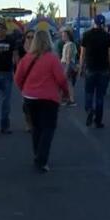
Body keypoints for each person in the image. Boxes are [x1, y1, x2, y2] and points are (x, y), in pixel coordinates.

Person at [14, 30, 70, 173]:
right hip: (48, 99)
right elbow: (61, 79)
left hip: (30, 98)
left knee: (36, 128)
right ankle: (41, 160)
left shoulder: (26, 58)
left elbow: (18, 78)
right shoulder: (52, 59)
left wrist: (25, 90)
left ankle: (37, 154)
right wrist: (65, 93)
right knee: (48, 128)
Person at [79, 14, 110, 129]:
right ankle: (98, 121)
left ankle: (89, 109)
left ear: (94, 22)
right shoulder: (108, 36)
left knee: (89, 92)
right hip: (104, 69)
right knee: (100, 96)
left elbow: (82, 54)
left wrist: (80, 68)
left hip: (90, 68)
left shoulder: (86, 35)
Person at [60, 28, 78, 106]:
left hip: (67, 64)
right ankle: (67, 99)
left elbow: (68, 57)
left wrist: (66, 68)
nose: (62, 37)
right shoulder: (68, 44)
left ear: (68, 36)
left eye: (64, 35)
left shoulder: (69, 45)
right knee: (67, 83)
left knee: (68, 83)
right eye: (62, 35)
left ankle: (71, 99)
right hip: (66, 64)